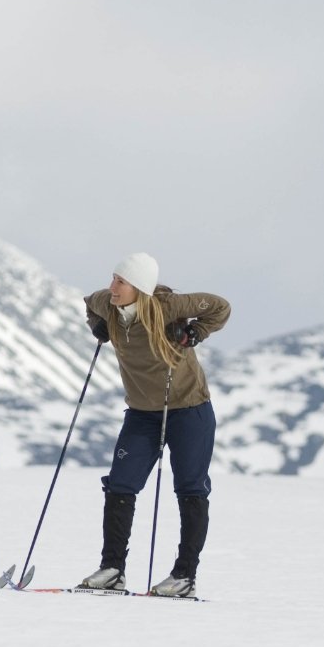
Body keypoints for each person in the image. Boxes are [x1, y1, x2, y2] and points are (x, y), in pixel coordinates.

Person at [78, 253, 230, 596]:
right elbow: (90, 303)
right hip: (143, 413)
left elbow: (220, 306)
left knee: (190, 488)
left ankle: (184, 576)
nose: (112, 287)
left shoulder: (169, 307)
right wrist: (96, 325)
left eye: (121, 282)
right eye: (113, 278)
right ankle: (112, 569)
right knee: (120, 484)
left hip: (189, 410)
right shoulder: (106, 302)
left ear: (141, 289)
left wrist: (195, 331)